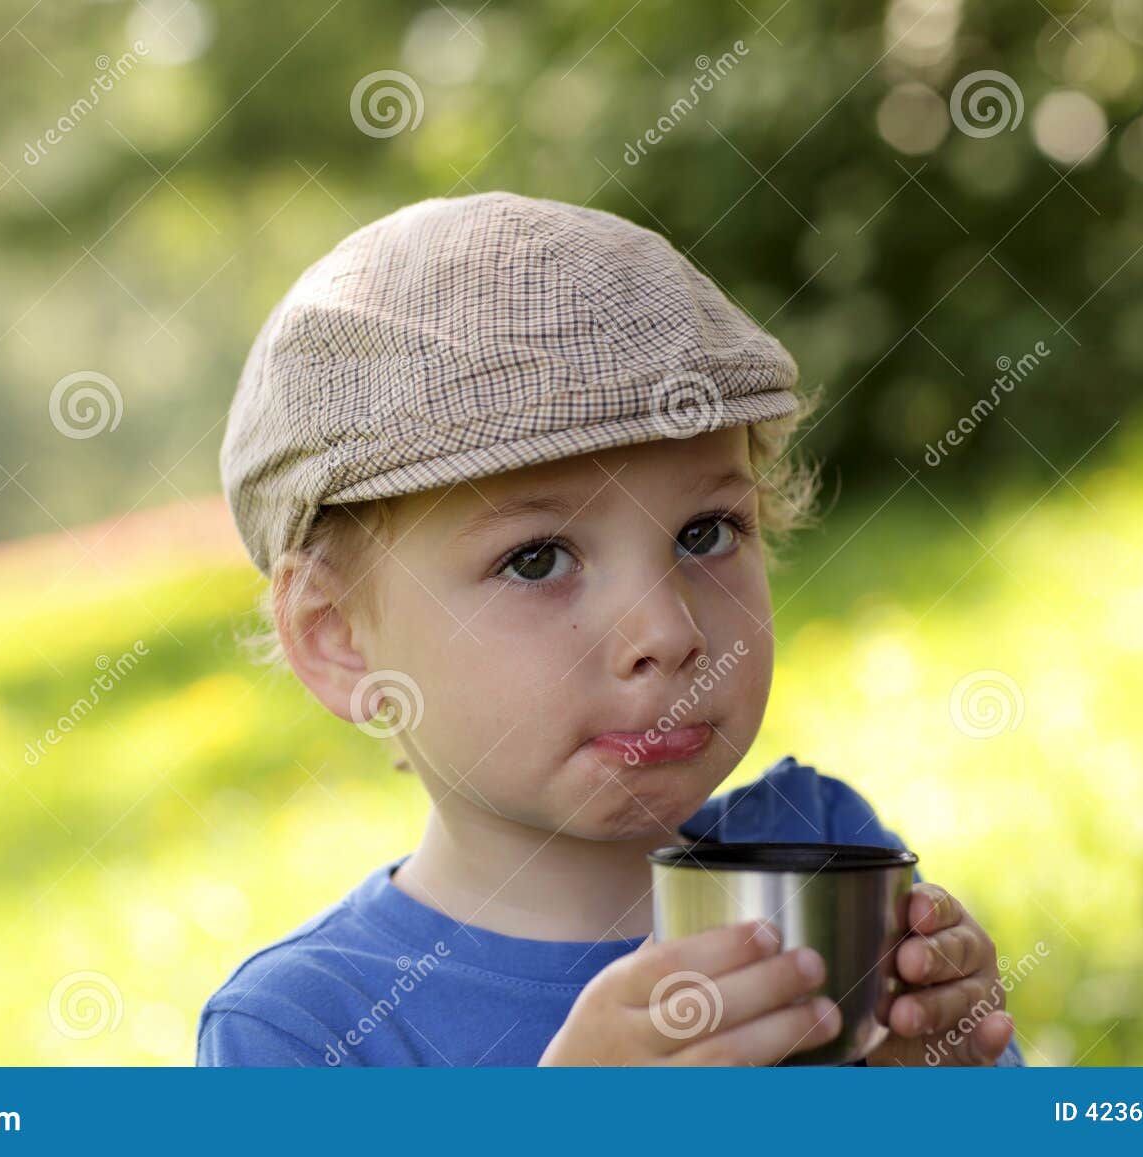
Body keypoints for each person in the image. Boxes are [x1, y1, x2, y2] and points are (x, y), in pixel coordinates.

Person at [199, 191, 1023, 1067]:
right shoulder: (305, 1030)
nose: (667, 632)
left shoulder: (819, 859)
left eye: (706, 533)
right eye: (538, 559)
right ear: (338, 638)